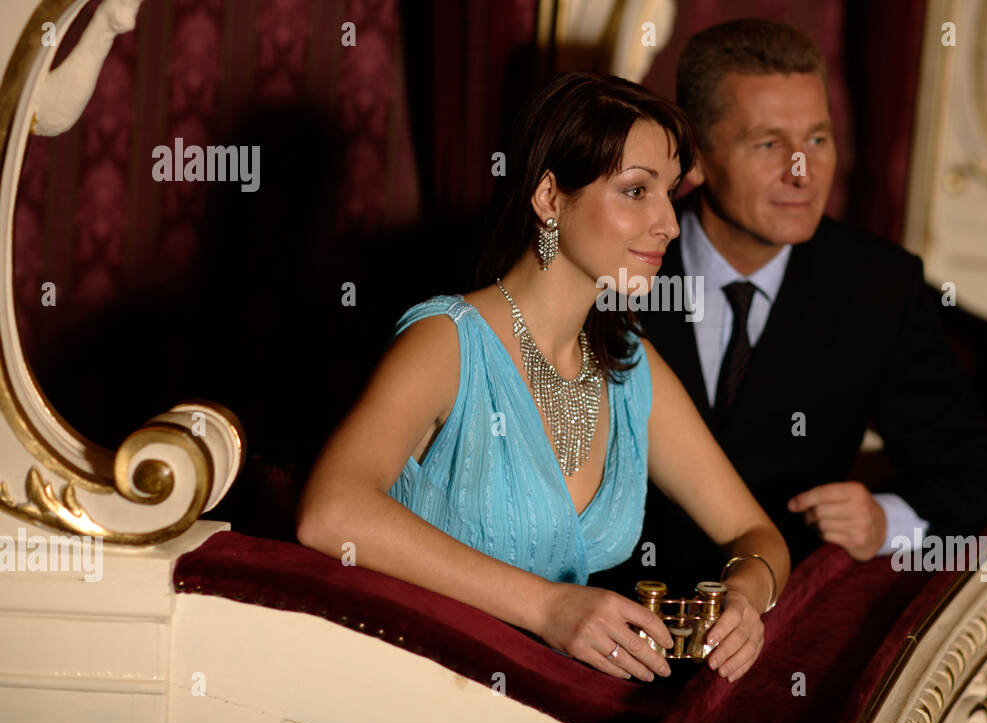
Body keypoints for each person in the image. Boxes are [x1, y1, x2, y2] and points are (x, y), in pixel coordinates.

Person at [295, 70, 790, 684]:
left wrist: (745, 596)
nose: (669, 223)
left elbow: (757, 534)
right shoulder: (446, 340)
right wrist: (549, 605)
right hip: (402, 692)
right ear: (550, 198)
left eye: (670, 194)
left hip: (542, 699)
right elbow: (329, 513)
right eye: (637, 191)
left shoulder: (629, 364)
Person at [589, 18, 987, 595]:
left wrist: (887, 521)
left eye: (817, 139)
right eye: (769, 144)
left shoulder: (878, 285)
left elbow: (977, 474)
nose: (802, 173)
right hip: (598, 618)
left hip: (779, 627)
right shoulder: (609, 263)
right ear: (696, 157)